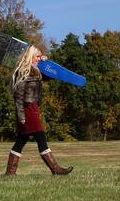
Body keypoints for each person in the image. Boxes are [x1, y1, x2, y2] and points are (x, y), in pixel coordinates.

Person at [6, 45, 72, 176]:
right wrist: (21, 115)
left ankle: (10, 172)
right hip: (27, 109)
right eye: (37, 56)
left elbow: (50, 77)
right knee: (40, 136)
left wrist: (46, 64)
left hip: (34, 107)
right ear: (30, 56)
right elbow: (18, 96)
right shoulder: (23, 71)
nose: (38, 59)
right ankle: (56, 169)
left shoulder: (36, 70)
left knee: (21, 140)